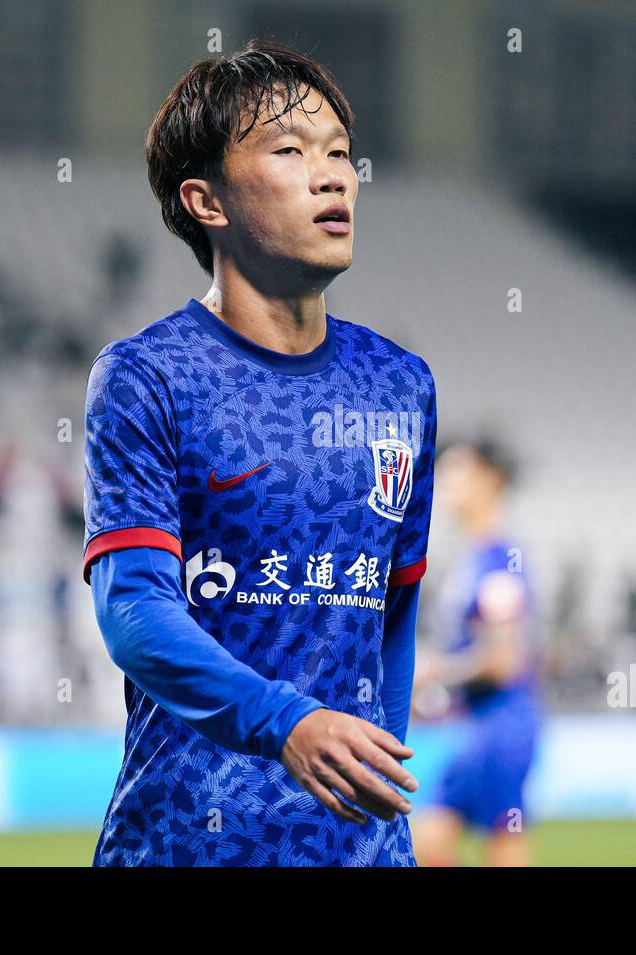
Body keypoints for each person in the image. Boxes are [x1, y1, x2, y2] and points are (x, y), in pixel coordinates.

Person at [83, 40, 437, 866]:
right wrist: (289, 726)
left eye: (342, 154)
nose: (334, 176)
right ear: (206, 200)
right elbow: (134, 615)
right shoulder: (147, 376)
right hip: (187, 841)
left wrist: (373, 777)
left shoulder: (402, 385)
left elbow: (394, 609)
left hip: (360, 849)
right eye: (289, 152)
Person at [411, 438, 542, 867]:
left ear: (491, 480)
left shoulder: (500, 561)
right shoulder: (473, 558)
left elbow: (502, 662)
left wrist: (432, 672)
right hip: (476, 726)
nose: (446, 482)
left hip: (503, 727)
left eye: (459, 472)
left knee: (501, 847)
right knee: (427, 844)